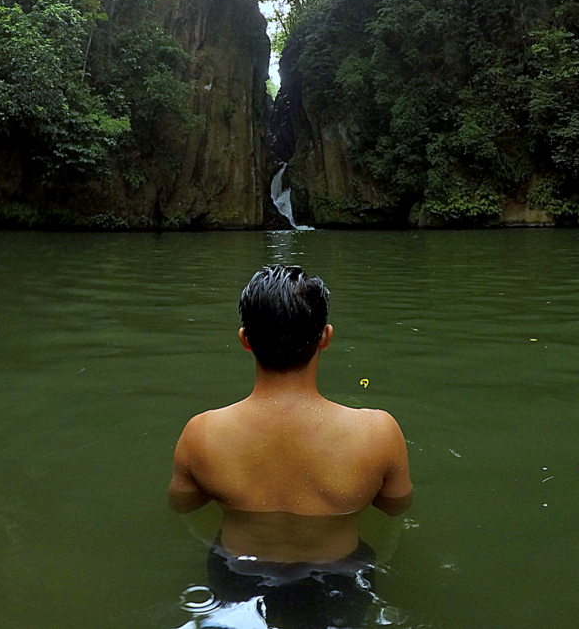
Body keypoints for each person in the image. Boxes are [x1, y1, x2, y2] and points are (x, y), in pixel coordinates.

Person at [167, 265, 411, 629]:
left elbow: (183, 505)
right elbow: (395, 507)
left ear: (245, 339)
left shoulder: (202, 432)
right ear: (325, 337)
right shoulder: (378, 432)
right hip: (341, 577)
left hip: (238, 574)